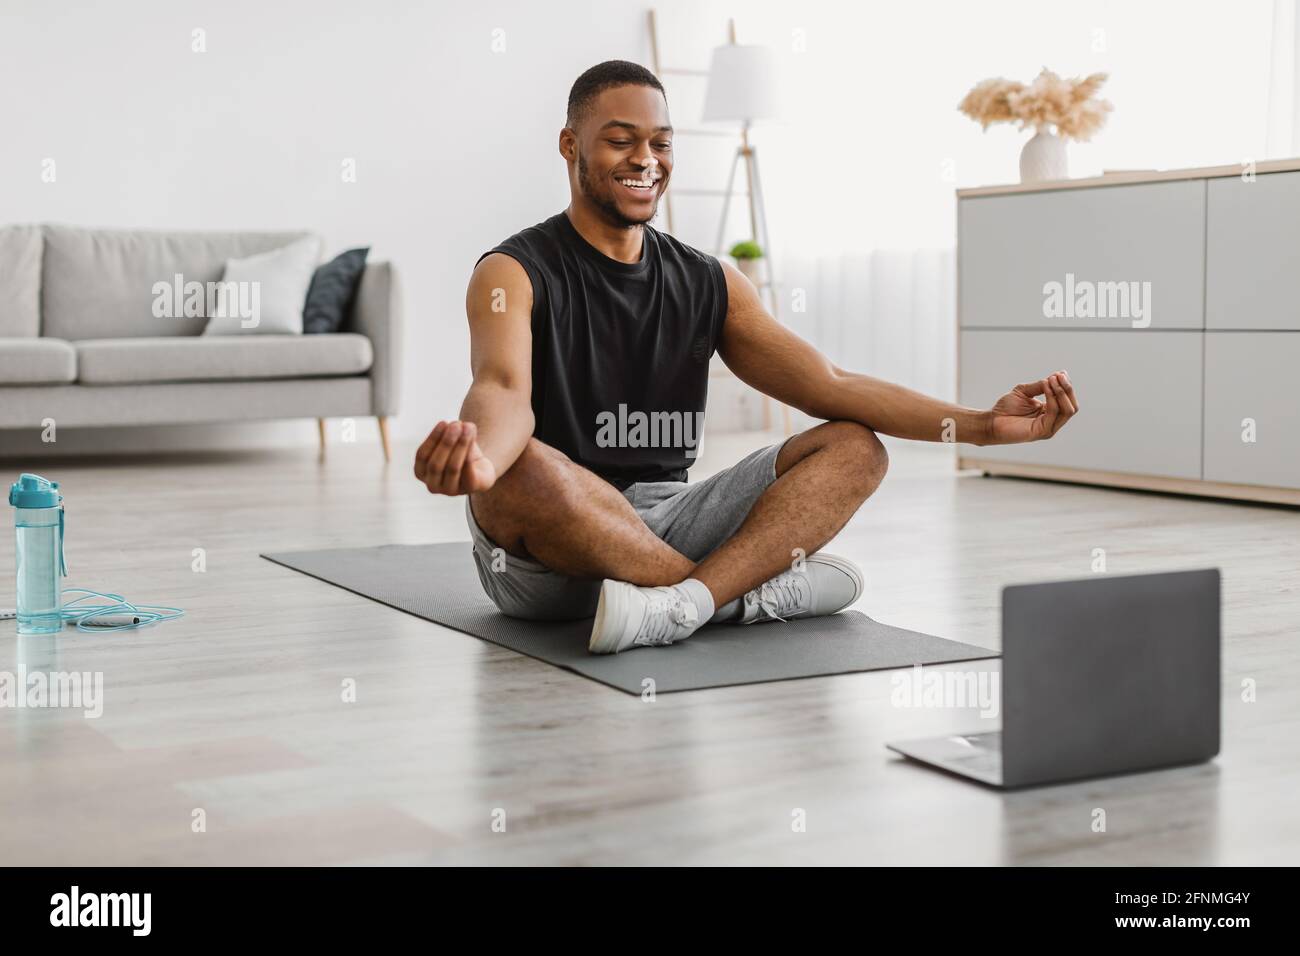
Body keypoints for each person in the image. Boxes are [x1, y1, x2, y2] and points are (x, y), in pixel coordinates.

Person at [414, 60, 1079, 655]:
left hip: (672, 517)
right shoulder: (513, 270)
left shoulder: (711, 280)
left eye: (661, 143)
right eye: (621, 139)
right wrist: (482, 457)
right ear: (571, 145)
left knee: (856, 446)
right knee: (521, 470)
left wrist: (985, 426)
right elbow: (502, 390)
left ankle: (680, 604)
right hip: (553, 563)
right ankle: (726, 597)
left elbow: (830, 382)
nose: (646, 158)